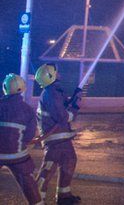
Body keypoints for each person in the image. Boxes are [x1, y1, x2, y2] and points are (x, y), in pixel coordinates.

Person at [35, 63, 81, 204]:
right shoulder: (50, 94)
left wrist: (73, 101)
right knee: (49, 168)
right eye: (56, 72)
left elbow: (62, 108)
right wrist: (74, 109)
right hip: (55, 138)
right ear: (51, 76)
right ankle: (36, 198)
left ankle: (64, 196)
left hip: (61, 137)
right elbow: (63, 117)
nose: (59, 73)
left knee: (69, 161)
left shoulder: (54, 92)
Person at [0, 74, 42, 205]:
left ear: (5, 87)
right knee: (29, 186)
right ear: (22, 89)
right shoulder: (28, 110)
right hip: (18, 156)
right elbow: (29, 136)